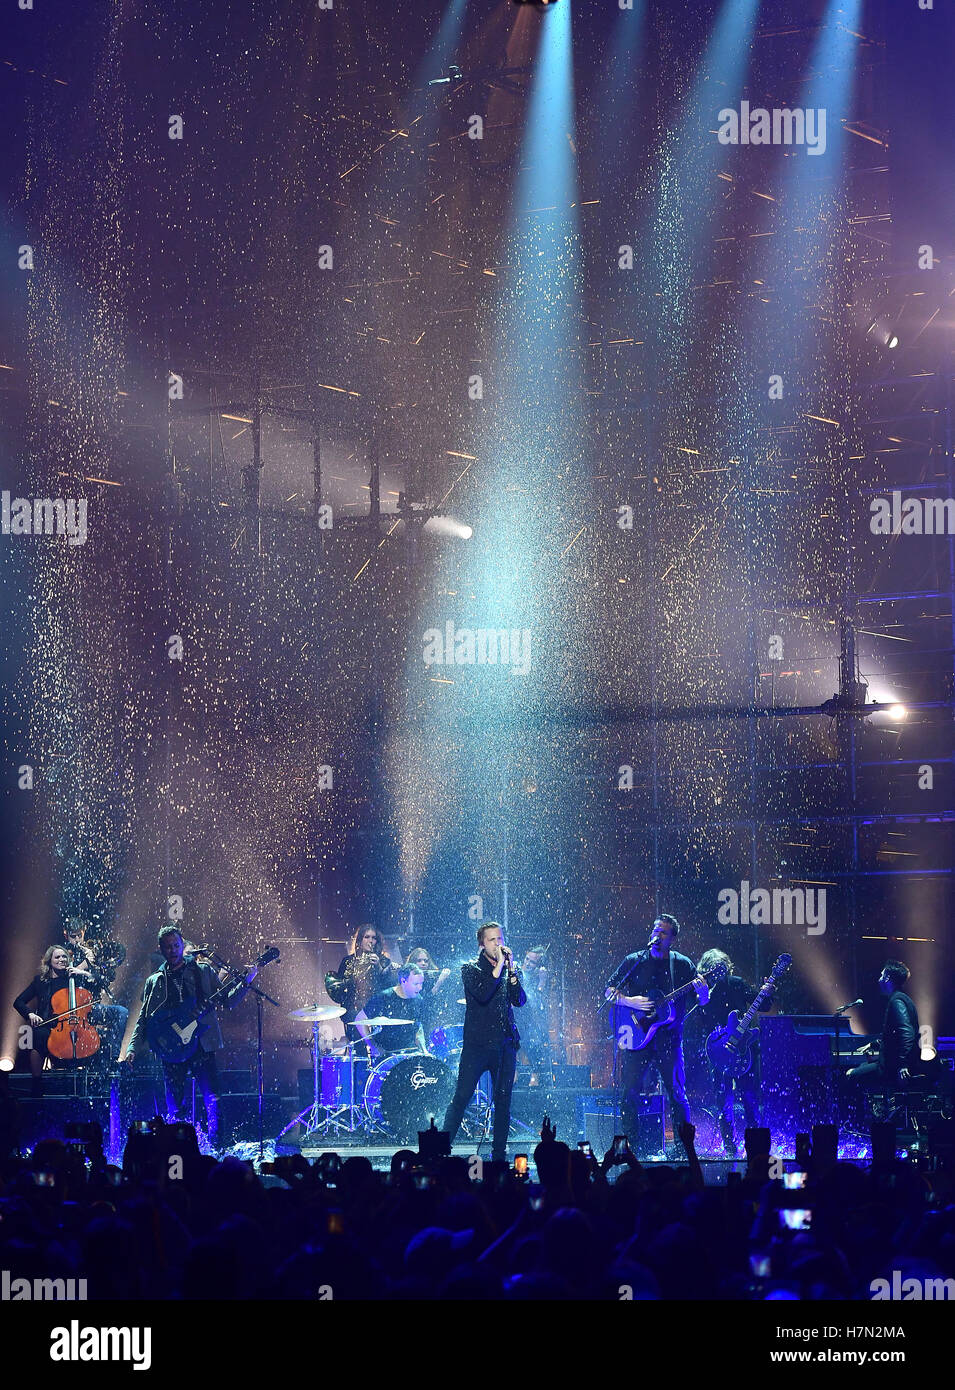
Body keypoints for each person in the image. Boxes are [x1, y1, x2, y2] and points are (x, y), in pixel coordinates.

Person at [604, 914, 708, 1158]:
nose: (656, 935)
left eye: (663, 932)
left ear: (672, 938)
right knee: (629, 1092)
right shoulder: (634, 960)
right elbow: (608, 990)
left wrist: (704, 995)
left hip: (669, 1040)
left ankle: (684, 1151)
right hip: (637, 1037)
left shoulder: (681, 965)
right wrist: (630, 1001)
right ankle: (632, 1149)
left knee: (677, 1093)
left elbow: (700, 1001)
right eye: (654, 930)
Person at [123, 927, 231, 1144]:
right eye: (168, 946)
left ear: (183, 946)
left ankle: (216, 1145)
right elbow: (144, 1019)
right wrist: (132, 1048)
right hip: (171, 1046)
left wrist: (250, 978)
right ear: (161, 949)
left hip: (201, 1043)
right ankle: (177, 1146)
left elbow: (227, 1000)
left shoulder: (202, 971)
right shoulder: (155, 981)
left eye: (176, 945)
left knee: (213, 1098)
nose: (172, 950)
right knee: (175, 1103)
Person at [441, 922, 526, 1162]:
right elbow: (484, 992)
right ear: (482, 945)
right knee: (462, 1096)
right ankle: (440, 1149)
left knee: (503, 1100)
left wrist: (511, 974)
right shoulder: (470, 969)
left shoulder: (508, 969)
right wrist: (500, 966)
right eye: (492, 940)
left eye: (500, 938)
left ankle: (499, 1154)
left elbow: (520, 1000)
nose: (498, 944)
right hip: (476, 1047)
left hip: (505, 1045)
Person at [686, 948, 775, 1157]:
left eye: (722, 966)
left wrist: (768, 994)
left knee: (750, 1097)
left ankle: (757, 1149)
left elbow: (762, 1004)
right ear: (705, 970)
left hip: (745, 1049)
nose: (720, 971)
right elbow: (697, 1026)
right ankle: (730, 1147)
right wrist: (703, 1001)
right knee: (723, 1100)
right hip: (717, 1053)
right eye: (714, 967)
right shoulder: (702, 993)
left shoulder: (736, 983)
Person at [13, 946, 97, 1095]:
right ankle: (37, 1082)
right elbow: (18, 1002)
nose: (62, 960)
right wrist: (31, 1014)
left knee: (90, 1038)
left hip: (72, 1024)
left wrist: (83, 972)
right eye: (57, 957)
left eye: (64, 957)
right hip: (48, 1024)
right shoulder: (40, 981)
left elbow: (97, 984)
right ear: (49, 961)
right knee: (37, 1035)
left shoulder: (73, 978)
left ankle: (88, 1084)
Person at [847, 960, 920, 1115]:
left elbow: (906, 1033)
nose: (878, 979)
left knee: (850, 1075)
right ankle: (875, 1115)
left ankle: (859, 1122)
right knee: (860, 1069)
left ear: (887, 978)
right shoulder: (902, 999)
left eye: (881, 975)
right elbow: (894, 1034)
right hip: (893, 1064)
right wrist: (874, 1044)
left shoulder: (897, 1001)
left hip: (892, 1067)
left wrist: (903, 1064)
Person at [325, 926, 398, 1046]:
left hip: (377, 1011)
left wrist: (379, 967)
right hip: (353, 1010)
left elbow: (390, 987)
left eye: (374, 938)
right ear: (359, 940)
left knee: (382, 1043)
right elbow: (341, 990)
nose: (371, 941)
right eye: (367, 937)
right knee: (358, 1047)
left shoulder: (384, 961)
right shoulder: (348, 961)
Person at [354, 964, 429, 1059]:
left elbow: (418, 1026)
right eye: (416, 984)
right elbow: (359, 1020)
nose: (420, 988)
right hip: (386, 1056)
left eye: (421, 983)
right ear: (403, 981)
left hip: (409, 1054)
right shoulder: (383, 997)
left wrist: (424, 1049)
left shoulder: (419, 1000)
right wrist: (373, 1046)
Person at [519, 944, 553, 1084]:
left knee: (534, 1038)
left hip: (530, 1022)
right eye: (527, 959)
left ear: (539, 966)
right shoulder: (516, 972)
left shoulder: (540, 979)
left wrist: (542, 982)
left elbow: (539, 1006)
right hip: (514, 1018)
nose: (527, 963)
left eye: (532, 962)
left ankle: (535, 1075)